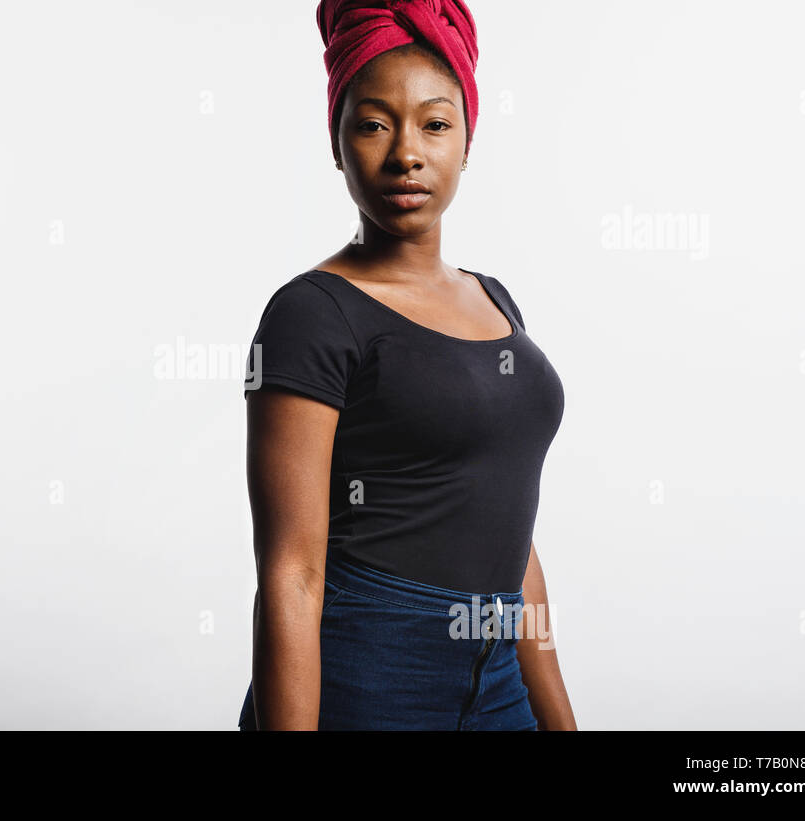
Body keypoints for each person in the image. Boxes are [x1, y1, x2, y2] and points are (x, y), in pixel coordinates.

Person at [238, 0, 576, 730]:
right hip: (370, 670)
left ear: (466, 140)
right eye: (373, 123)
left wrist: (558, 718)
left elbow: (511, 536)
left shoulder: (496, 300)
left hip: (499, 674)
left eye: (434, 122)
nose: (406, 153)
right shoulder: (312, 313)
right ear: (337, 142)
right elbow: (292, 575)